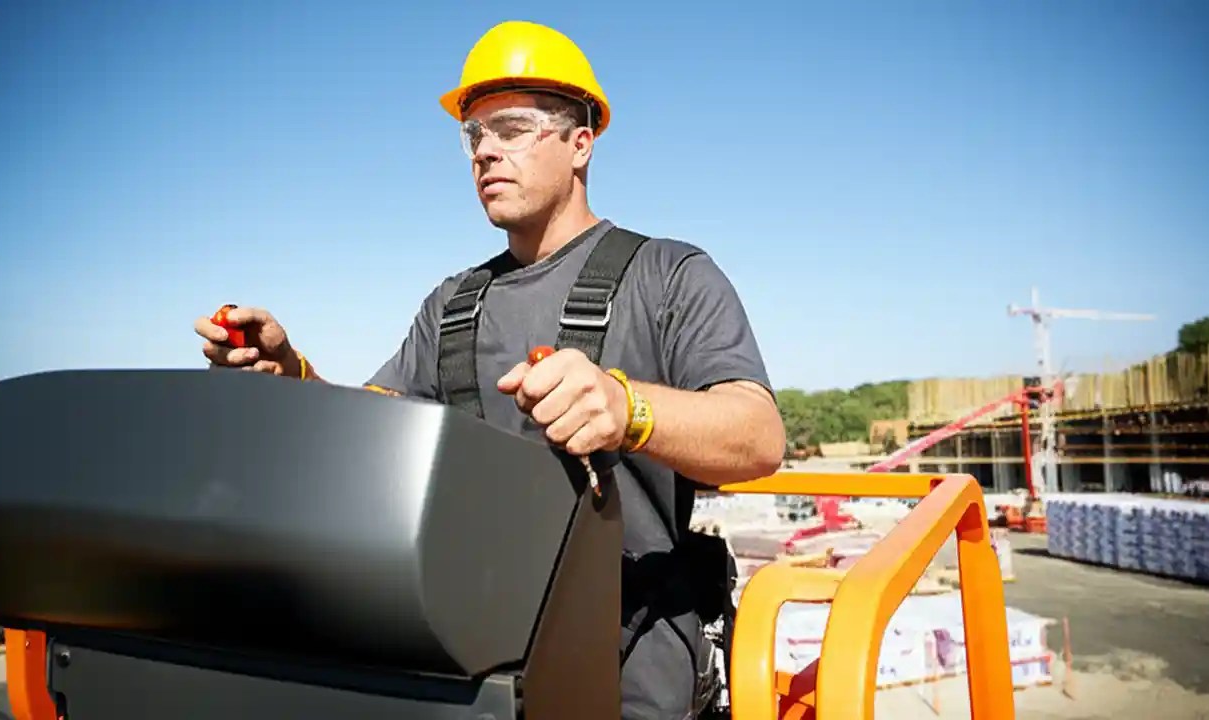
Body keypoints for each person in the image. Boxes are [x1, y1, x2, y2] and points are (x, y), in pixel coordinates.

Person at [193, 19, 785, 719]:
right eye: (473, 135)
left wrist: (628, 408)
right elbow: (373, 427)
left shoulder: (669, 276)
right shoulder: (454, 305)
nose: (485, 153)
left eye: (511, 129)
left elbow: (759, 437)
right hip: (472, 660)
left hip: (629, 669)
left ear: (581, 142)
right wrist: (290, 374)